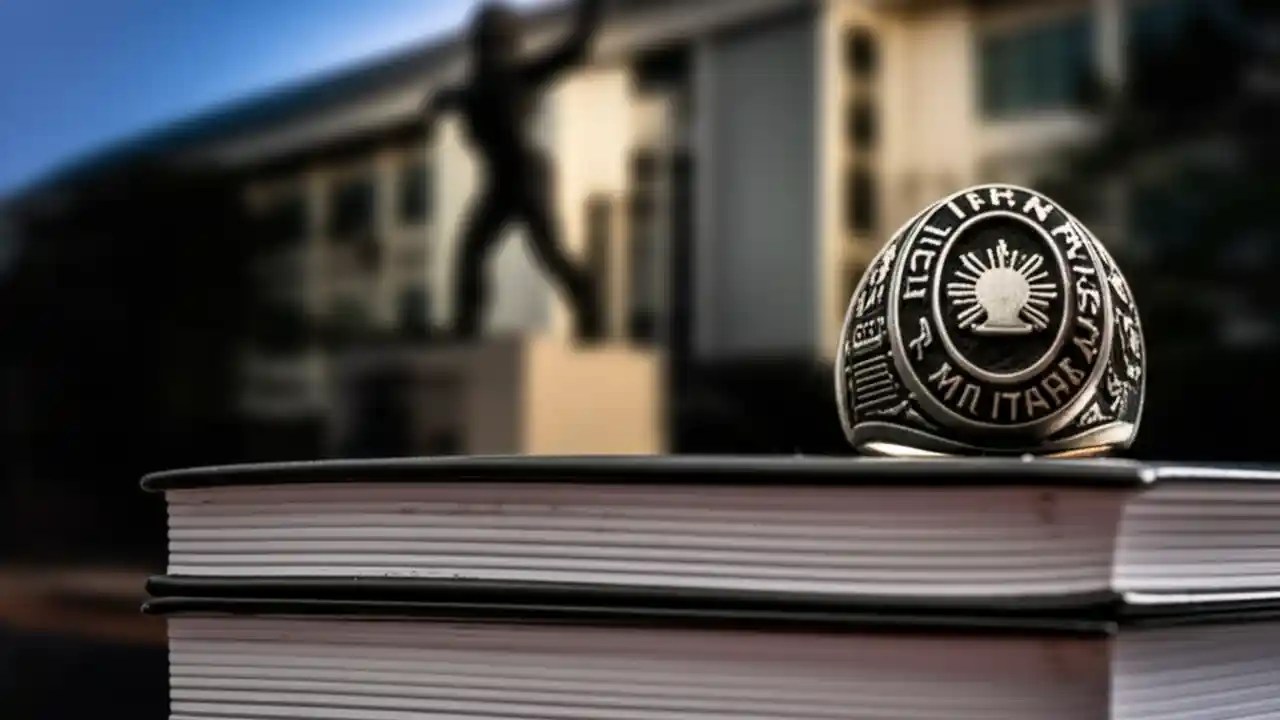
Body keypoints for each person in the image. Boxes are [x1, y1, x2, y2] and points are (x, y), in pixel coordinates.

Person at [422, 0, 603, 340]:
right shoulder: (473, 88)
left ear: (505, 41)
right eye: (481, 40)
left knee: (547, 251)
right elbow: (453, 97)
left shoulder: (520, 75)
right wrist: (439, 100)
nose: (485, 48)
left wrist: (591, 10)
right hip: (499, 183)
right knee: (471, 253)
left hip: (526, 174)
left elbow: (573, 49)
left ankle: (587, 301)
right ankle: (466, 325)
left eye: (491, 39)